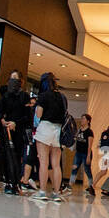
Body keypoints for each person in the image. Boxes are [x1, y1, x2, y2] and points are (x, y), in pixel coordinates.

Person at [32, 72, 68, 202]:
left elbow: (39, 114)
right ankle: (56, 193)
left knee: (43, 162)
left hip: (45, 129)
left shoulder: (43, 96)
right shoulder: (62, 97)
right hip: (58, 131)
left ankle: (42, 192)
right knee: (56, 164)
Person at [0, 71, 31, 195]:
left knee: (17, 157)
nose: (13, 82)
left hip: (18, 131)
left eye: (15, 79)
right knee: (6, 156)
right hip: (6, 130)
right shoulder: (6, 96)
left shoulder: (24, 96)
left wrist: (15, 123)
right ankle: (7, 181)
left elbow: (27, 116)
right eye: (11, 79)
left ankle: (16, 183)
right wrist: (2, 120)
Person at [68, 113, 95, 192]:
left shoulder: (89, 132)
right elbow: (76, 140)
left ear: (88, 121)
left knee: (87, 170)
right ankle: (70, 185)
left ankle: (91, 186)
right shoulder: (79, 130)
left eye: (83, 119)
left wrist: (88, 156)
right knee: (74, 168)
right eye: (81, 118)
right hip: (78, 153)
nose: (82, 120)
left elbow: (90, 145)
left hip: (86, 153)